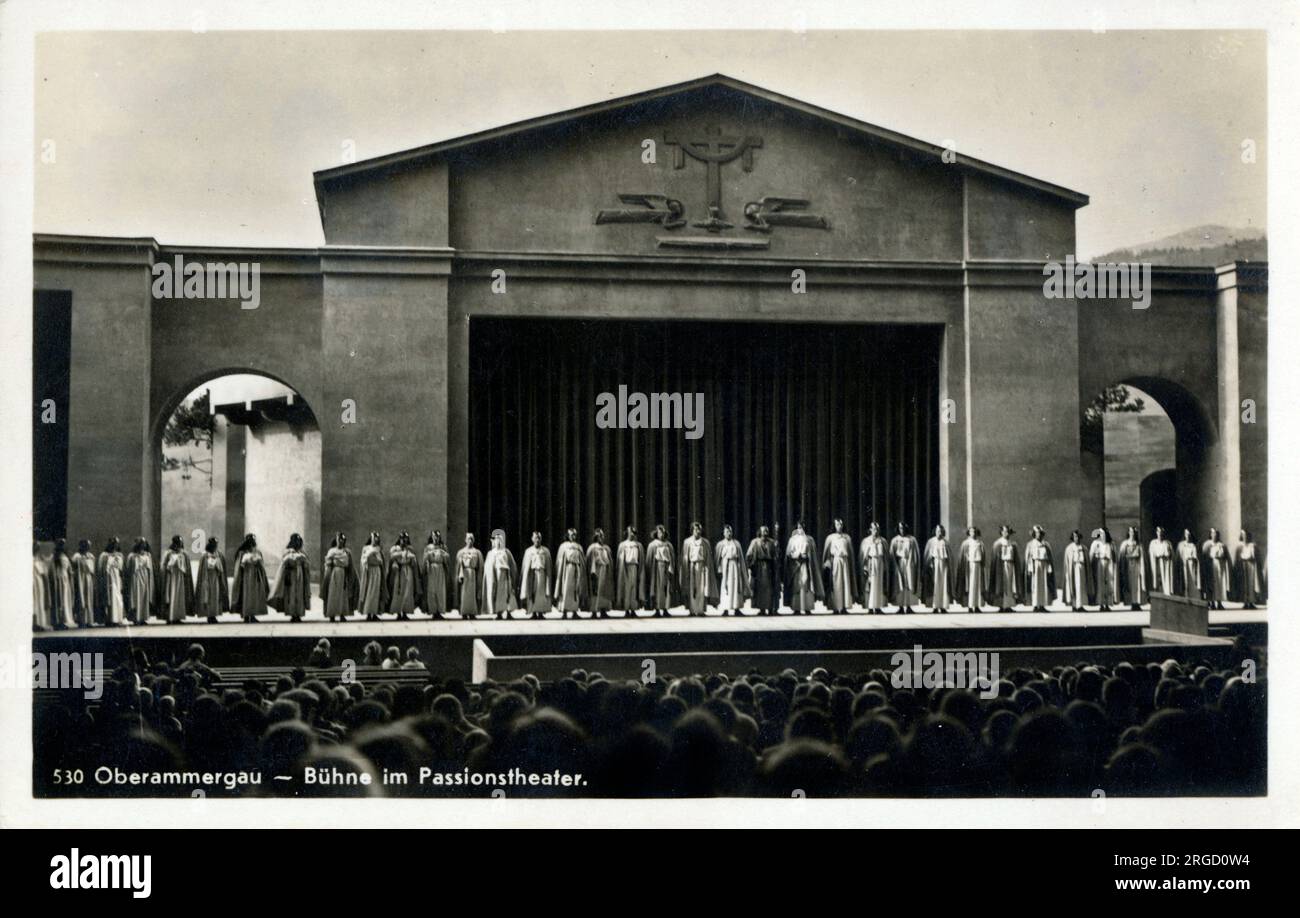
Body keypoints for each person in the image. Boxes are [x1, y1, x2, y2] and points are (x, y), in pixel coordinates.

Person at [270, 533, 313, 622]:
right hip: (291, 575)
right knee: (292, 594)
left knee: (299, 594)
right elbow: (284, 564)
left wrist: (304, 564)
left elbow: (306, 563)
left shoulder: (302, 552)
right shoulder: (288, 552)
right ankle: (293, 614)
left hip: (300, 575)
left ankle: (298, 614)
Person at [679, 521, 717, 617]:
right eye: (695, 529)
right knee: (692, 588)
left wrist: (707, 569)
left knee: (701, 588)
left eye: (699, 529)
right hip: (692, 567)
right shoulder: (687, 542)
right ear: (692, 530)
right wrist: (686, 570)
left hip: (702, 567)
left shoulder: (705, 542)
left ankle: (700, 610)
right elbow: (685, 557)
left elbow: (707, 557)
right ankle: (692, 610)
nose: (697, 531)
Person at [784, 522, 823, 615]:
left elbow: (813, 554)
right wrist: (797, 556)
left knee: (807, 585)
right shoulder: (792, 540)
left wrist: (806, 557)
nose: (800, 529)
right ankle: (797, 608)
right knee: (797, 586)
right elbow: (789, 553)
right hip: (796, 565)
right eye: (799, 527)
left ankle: (807, 608)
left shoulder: (809, 539)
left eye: (802, 527)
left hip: (806, 565)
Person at [230, 534, 270, 623]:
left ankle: (252, 615)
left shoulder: (257, 552)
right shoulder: (242, 553)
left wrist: (258, 564)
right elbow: (239, 567)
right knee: (246, 597)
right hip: (246, 578)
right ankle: (246, 615)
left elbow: (261, 565)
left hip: (255, 577)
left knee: (254, 597)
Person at [320, 533, 359, 622]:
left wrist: (350, 576)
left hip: (343, 574)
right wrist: (328, 574)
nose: (340, 542)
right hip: (334, 574)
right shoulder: (332, 551)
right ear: (336, 540)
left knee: (343, 595)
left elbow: (349, 564)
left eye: (342, 540)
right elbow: (328, 563)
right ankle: (332, 615)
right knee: (333, 594)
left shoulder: (347, 552)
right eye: (339, 540)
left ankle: (342, 614)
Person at [821, 519, 856, 614]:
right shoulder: (830, 538)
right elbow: (827, 553)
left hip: (845, 562)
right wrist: (827, 563)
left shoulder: (847, 537)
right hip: (835, 562)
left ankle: (844, 607)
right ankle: (835, 607)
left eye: (841, 524)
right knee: (836, 585)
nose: (839, 526)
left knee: (845, 584)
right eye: (837, 524)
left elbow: (850, 553)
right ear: (834, 525)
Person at [483, 529, 518, 620]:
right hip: (496, 576)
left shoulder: (506, 552)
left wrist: (512, 576)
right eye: (496, 540)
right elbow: (489, 566)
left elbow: (512, 564)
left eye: (500, 540)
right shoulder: (491, 553)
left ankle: (509, 612)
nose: (498, 542)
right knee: (497, 595)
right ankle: (498, 613)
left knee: (508, 594)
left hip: (505, 576)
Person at [746, 525, 781, 616]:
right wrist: (751, 566)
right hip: (759, 568)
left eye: (767, 531)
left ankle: (770, 608)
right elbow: (749, 555)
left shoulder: (772, 542)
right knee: (760, 589)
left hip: (769, 567)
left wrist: (777, 550)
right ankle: (762, 609)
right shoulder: (755, 542)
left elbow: (776, 555)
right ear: (760, 532)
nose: (765, 532)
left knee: (770, 589)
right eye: (763, 531)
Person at [555, 528, 590, 619]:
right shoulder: (563, 546)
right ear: (567, 535)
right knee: (566, 590)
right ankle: (565, 611)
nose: (573, 536)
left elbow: (582, 560)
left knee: (576, 590)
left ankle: (574, 611)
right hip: (567, 570)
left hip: (576, 569)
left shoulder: (578, 547)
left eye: (574, 535)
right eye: (571, 535)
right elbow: (559, 561)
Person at [643, 525, 677, 617]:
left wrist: (671, 568)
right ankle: (657, 609)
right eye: (659, 533)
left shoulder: (668, 545)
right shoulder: (653, 545)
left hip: (666, 568)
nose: (661, 535)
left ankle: (665, 609)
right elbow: (649, 560)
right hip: (657, 569)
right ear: (656, 534)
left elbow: (672, 558)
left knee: (666, 589)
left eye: (662, 533)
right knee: (657, 589)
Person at [160, 535, 195, 624]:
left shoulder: (184, 554)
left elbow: (186, 568)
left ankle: (177, 617)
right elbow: (164, 567)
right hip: (171, 578)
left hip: (180, 579)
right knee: (170, 596)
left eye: (180, 543)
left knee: (179, 597)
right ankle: (169, 617)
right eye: (178, 543)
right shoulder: (168, 553)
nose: (179, 545)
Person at [519, 531, 554, 620]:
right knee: (532, 593)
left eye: (539, 538)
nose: (537, 540)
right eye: (535, 538)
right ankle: (533, 612)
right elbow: (525, 566)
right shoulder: (528, 551)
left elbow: (548, 565)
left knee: (541, 593)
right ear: (532, 539)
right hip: (532, 574)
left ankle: (541, 612)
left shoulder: (545, 551)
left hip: (542, 574)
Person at [195, 537, 230, 623]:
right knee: (208, 597)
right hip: (207, 579)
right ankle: (209, 615)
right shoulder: (205, 556)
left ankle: (213, 615)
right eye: (214, 544)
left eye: (216, 544)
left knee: (215, 597)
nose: (215, 546)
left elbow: (222, 569)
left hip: (216, 580)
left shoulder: (219, 555)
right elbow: (202, 570)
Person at [715, 524, 748, 616]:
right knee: (726, 587)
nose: (729, 533)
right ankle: (726, 609)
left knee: (736, 586)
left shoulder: (736, 543)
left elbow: (740, 557)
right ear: (724, 533)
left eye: (730, 532)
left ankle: (736, 608)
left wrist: (740, 568)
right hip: (726, 566)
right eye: (727, 532)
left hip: (735, 567)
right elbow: (718, 558)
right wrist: (719, 569)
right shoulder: (720, 544)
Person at [124, 538, 160, 625]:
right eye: (141, 544)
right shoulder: (132, 556)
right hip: (136, 579)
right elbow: (129, 570)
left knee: (144, 597)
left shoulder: (148, 555)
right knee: (136, 598)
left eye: (144, 544)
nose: (143, 546)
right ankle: (136, 618)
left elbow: (150, 569)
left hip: (145, 578)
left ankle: (143, 617)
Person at [921, 525, 955, 613]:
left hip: (944, 566)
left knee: (944, 585)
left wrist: (949, 566)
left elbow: (950, 557)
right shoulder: (931, 542)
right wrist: (929, 564)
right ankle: (935, 606)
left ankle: (943, 606)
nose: (939, 533)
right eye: (937, 531)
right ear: (935, 531)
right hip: (934, 566)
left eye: (940, 531)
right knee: (935, 585)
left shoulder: (945, 542)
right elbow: (927, 555)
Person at [386, 531, 419, 620]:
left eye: (405, 539)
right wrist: (401, 555)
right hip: (399, 572)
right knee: (398, 591)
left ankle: (405, 612)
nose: (403, 541)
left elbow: (413, 559)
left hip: (408, 571)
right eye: (402, 539)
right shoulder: (395, 548)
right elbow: (392, 557)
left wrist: (411, 559)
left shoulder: (410, 549)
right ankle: (398, 612)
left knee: (408, 592)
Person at [419, 531, 453, 619]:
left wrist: (443, 554)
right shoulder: (428, 547)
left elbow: (447, 558)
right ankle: (433, 611)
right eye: (434, 536)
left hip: (440, 569)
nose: (436, 538)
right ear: (432, 537)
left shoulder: (443, 547)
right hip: (431, 569)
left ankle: (440, 610)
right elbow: (425, 559)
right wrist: (429, 556)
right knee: (432, 590)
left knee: (440, 590)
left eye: (437, 537)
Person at [890, 522, 921, 614]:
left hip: (909, 563)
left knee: (908, 584)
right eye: (900, 528)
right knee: (900, 584)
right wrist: (895, 565)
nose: (902, 530)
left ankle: (909, 606)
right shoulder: (895, 540)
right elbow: (892, 554)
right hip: (899, 563)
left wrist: (913, 564)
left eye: (903, 528)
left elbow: (916, 553)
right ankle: (900, 606)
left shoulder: (912, 539)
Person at [357, 532, 389, 622]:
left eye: (377, 538)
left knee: (376, 593)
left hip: (377, 572)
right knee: (369, 592)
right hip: (369, 573)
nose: (375, 540)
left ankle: (374, 613)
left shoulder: (379, 549)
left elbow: (381, 561)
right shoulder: (366, 548)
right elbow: (363, 560)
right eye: (374, 538)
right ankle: (368, 613)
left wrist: (376, 559)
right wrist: (370, 555)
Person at [1023, 525, 1055, 613]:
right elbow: (1029, 558)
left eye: (1040, 533)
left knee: (1044, 585)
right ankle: (1035, 605)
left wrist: (1049, 568)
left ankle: (1042, 605)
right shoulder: (1030, 544)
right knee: (1035, 586)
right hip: (1035, 566)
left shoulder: (1046, 545)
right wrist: (1029, 569)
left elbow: (1049, 559)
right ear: (1034, 534)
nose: (1039, 535)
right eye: (1037, 533)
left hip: (1044, 566)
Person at [988, 525, 1020, 613]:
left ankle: (1009, 605)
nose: (1006, 533)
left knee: (1010, 586)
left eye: (1008, 532)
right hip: (1001, 567)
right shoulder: (997, 544)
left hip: (1010, 566)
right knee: (1001, 585)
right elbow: (995, 558)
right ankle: (1001, 605)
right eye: (1004, 531)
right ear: (1001, 532)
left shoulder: (1013, 544)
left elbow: (1015, 558)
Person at [95, 537, 126, 627]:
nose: (115, 545)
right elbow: (101, 569)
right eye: (113, 543)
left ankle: (117, 619)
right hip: (108, 579)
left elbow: (121, 568)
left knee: (117, 597)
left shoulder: (119, 555)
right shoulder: (104, 555)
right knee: (110, 598)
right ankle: (109, 619)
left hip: (116, 578)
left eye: (116, 543)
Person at [858, 522, 889, 614]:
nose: (875, 531)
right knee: (870, 586)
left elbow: (885, 555)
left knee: (879, 586)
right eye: (874, 529)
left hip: (880, 564)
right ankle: (870, 607)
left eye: (877, 529)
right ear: (870, 530)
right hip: (871, 564)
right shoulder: (866, 541)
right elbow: (863, 555)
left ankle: (878, 607)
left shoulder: (882, 541)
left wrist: (885, 567)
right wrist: (865, 566)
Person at [46, 538, 77, 629]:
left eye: (63, 544)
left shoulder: (65, 556)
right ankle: (58, 621)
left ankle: (64, 620)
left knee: (65, 599)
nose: (62, 546)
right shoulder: (54, 556)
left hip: (65, 579)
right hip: (58, 579)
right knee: (60, 600)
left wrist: (71, 573)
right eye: (61, 544)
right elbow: (52, 570)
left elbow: (69, 568)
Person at [955, 527, 987, 614]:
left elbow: (983, 555)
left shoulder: (980, 543)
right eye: (971, 531)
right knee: (970, 586)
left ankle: (977, 606)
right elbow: (962, 556)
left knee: (978, 586)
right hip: (969, 566)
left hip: (978, 566)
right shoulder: (966, 543)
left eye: (974, 531)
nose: (973, 533)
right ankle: (969, 606)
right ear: (969, 533)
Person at [615, 527, 645, 617]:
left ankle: (633, 609)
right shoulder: (623, 545)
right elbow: (619, 559)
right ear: (627, 532)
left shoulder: (638, 545)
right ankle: (626, 609)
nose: (632, 534)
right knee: (626, 588)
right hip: (626, 567)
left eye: (634, 533)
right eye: (631, 532)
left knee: (634, 589)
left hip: (635, 567)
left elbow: (641, 558)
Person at [455, 533, 485, 620]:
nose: (470, 541)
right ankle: (463, 612)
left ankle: (472, 613)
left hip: (472, 574)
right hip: (464, 574)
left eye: (471, 539)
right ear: (465, 540)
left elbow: (480, 566)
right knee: (464, 593)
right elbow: (457, 566)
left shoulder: (477, 552)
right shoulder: (461, 552)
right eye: (468, 539)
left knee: (472, 594)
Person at [587, 529, 615, 619]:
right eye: (600, 536)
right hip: (596, 571)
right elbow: (591, 561)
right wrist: (593, 572)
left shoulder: (606, 548)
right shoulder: (593, 547)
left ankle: (603, 610)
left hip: (605, 570)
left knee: (604, 590)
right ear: (597, 537)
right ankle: (594, 611)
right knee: (596, 590)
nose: (602, 538)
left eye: (602, 536)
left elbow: (609, 560)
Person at [1201, 528, 1231, 611]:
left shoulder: (1221, 545)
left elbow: (1226, 557)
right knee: (1211, 585)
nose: (1214, 535)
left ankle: (1219, 602)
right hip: (1211, 566)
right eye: (1213, 533)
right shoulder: (1206, 545)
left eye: (1216, 534)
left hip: (1220, 567)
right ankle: (1212, 603)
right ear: (1210, 534)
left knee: (1219, 584)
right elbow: (1204, 557)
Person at [1089, 528, 1119, 612]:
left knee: (1109, 583)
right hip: (1100, 564)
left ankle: (1108, 603)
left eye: (1104, 534)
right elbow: (1091, 555)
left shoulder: (1111, 544)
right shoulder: (1096, 543)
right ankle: (1101, 604)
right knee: (1100, 584)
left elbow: (1114, 555)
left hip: (1109, 563)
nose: (1103, 535)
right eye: (1101, 534)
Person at [1234, 529, 1265, 609]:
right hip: (1243, 567)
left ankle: (1251, 602)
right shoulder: (1239, 546)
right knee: (1244, 584)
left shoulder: (1253, 545)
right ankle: (1245, 602)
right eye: (1243, 535)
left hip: (1251, 566)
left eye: (1246, 535)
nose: (1245, 537)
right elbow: (1237, 558)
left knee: (1251, 584)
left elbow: (1257, 558)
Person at [1117, 527, 1147, 611]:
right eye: (1131, 532)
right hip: (1128, 566)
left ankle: (1137, 603)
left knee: (1137, 584)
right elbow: (1122, 556)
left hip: (1137, 565)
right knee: (1130, 584)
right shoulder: (1125, 544)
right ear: (1128, 533)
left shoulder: (1139, 544)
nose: (1132, 533)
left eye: (1134, 532)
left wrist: (1142, 567)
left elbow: (1142, 557)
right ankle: (1131, 603)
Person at [1062, 530, 1091, 611]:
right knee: (1074, 587)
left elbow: (1087, 561)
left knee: (1081, 587)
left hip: (1082, 569)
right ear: (1072, 538)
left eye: (1078, 537)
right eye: (1075, 537)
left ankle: (1080, 605)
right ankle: (1074, 605)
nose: (1077, 538)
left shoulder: (1084, 548)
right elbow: (1067, 562)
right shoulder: (1069, 548)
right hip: (1073, 569)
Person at [71, 539, 97, 627]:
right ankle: (81, 621)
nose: (88, 547)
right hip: (80, 579)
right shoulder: (76, 556)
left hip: (88, 579)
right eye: (86, 545)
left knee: (89, 599)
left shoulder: (91, 556)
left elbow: (92, 569)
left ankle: (89, 621)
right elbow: (74, 566)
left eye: (89, 546)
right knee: (81, 599)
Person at [1147, 527, 1176, 595]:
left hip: (1166, 563)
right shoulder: (1153, 543)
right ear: (1156, 533)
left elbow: (1171, 555)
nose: (1160, 534)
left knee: (1165, 579)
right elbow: (1151, 553)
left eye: (1161, 532)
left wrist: (1167, 555)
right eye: (1158, 532)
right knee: (1157, 579)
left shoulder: (1167, 543)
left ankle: (1166, 593)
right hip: (1157, 563)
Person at [1176, 530, 1202, 601]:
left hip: (1192, 566)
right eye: (1186, 534)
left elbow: (1195, 556)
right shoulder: (1180, 545)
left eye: (1189, 534)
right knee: (1184, 582)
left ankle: (1193, 597)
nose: (1188, 536)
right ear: (1184, 535)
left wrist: (1192, 558)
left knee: (1193, 581)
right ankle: (1185, 597)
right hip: (1184, 566)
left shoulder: (1193, 545)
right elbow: (1178, 556)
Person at [33, 542, 52, 632]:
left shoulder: (39, 559)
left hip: (38, 582)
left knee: (40, 601)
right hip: (33, 581)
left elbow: (44, 571)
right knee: (34, 602)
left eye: (38, 548)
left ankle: (40, 623)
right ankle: (35, 623)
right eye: (35, 547)